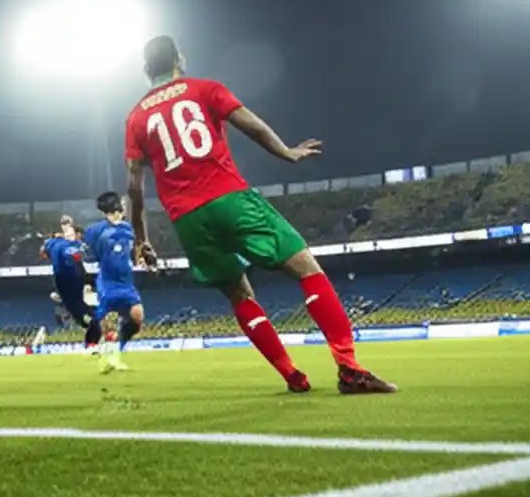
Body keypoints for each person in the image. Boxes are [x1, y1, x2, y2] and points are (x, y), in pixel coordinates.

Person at [124, 35, 396, 394]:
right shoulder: (205, 89)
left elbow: (134, 187)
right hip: (229, 197)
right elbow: (249, 123)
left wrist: (141, 239)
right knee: (306, 268)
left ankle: (292, 376)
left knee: (240, 295)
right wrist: (285, 151)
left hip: (187, 219)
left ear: (146, 69)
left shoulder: (136, 118)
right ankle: (349, 369)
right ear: (178, 59)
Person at [83, 192, 145, 373]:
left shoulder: (128, 229)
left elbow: (132, 251)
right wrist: (87, 281)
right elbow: (88, 254)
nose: (125, 206)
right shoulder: (95, 230)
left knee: (137, 316)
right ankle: (106, 354)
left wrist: (139, 259)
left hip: (126, 282)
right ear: (114, 206)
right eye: (122, 203)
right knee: (107, 318)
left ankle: (117, 351)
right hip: (107, 281)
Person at [43, 216, 102, 348]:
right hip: (65, 281)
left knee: (80, 310)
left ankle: (94, 330)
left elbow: (80, 256)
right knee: (78, 313)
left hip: (75, 280)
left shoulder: (77, 245)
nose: (66, 229)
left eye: (69, 227)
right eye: (64, 226)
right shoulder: (56, 243)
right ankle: (93, 329)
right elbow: (44, 252)